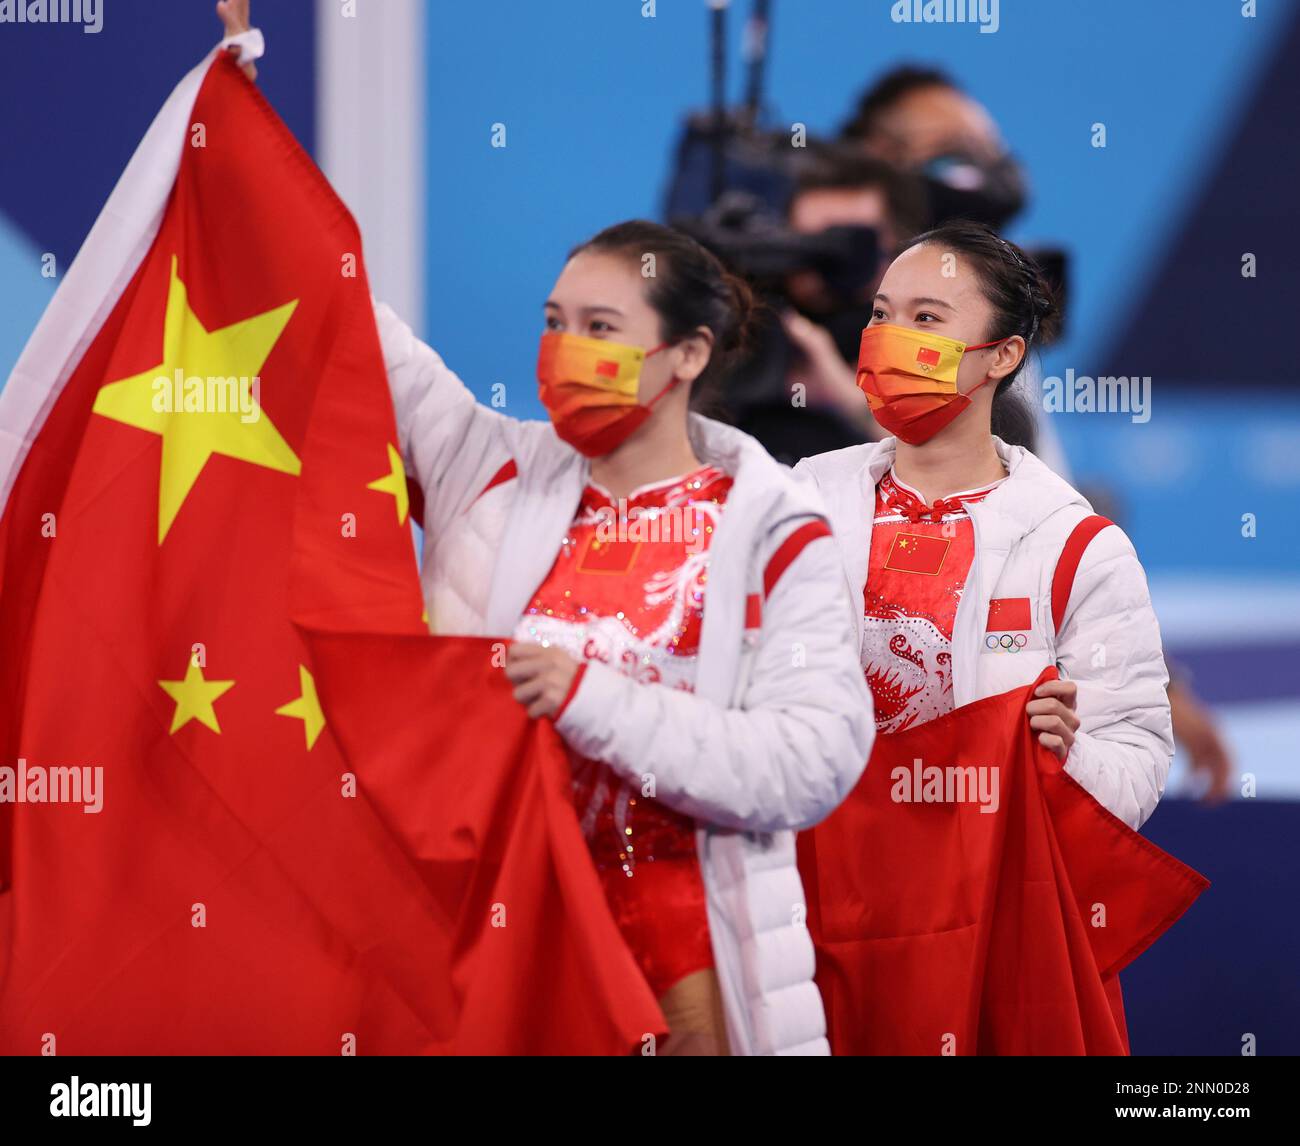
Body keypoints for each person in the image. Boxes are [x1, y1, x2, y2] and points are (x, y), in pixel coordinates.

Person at [217, 2, 875, 1057]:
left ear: (688, 356)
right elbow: (338, 313)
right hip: (497, 950)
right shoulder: (492, 467)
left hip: (690, 976)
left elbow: (805, 766)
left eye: (601, 330)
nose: (563, 350)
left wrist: (584, 697)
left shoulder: (775, 532)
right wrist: (242, 139)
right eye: (554, 323)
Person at [795, 220, 1172, 830]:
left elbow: (1137, 765)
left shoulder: (1075, 545)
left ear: (1004, 355)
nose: (890, 338)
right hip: (810, 893)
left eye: (926, 319)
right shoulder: (796, 505)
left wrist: (1064, 758)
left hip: (979, 900)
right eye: (881, 315)